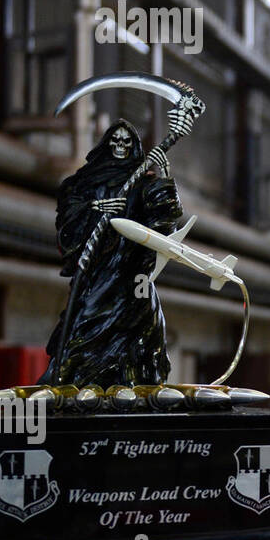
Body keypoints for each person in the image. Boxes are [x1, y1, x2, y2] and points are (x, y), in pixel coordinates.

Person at [41, 120, 183, 386]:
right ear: (106, 144)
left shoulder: (142, 184)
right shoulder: (84, 183)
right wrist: (98, 208)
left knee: (143, 337)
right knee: (85, 332)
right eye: (115, 140)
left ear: (134, 146)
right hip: (97, 275)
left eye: (126, 141)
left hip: (132, 277)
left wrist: (163, 176)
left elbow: (163, 228)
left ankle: (136, 388)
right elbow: (69, 218)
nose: (120, 146)